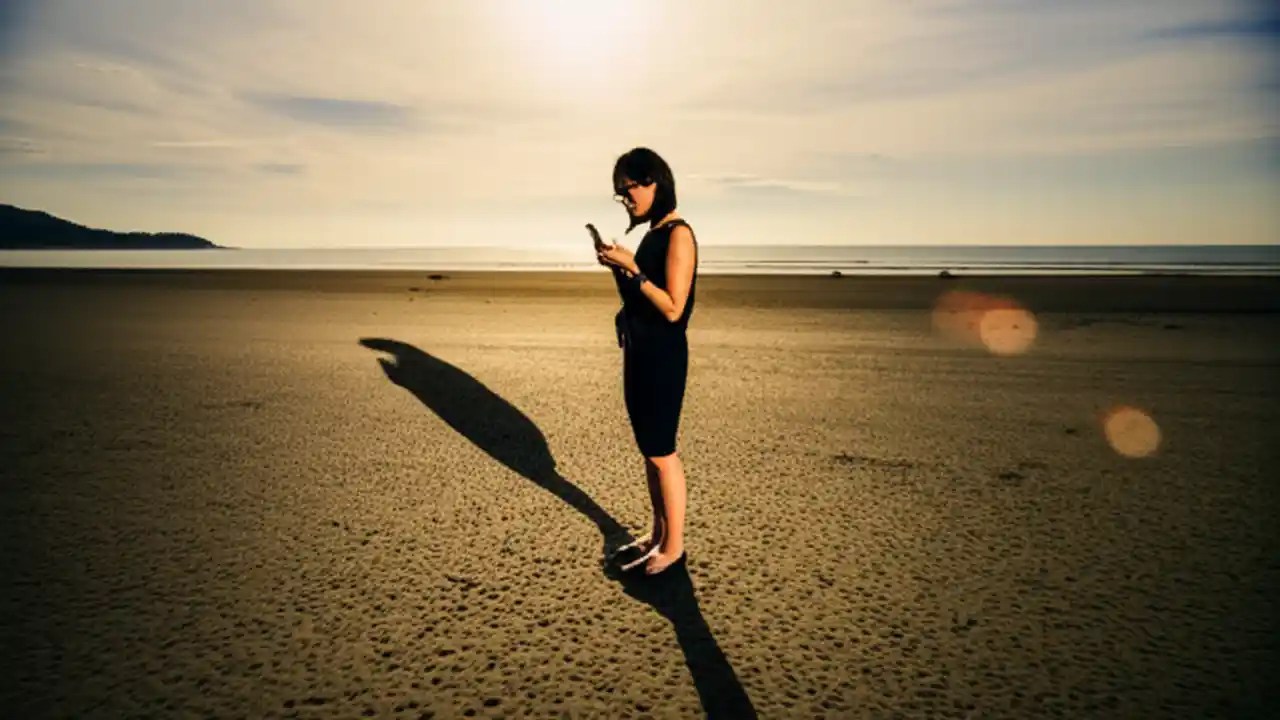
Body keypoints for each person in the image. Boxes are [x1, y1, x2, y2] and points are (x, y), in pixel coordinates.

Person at [594, 147, 698, 576]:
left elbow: (674, 308)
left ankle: (673, 548)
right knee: (649, 452)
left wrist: (633, 270)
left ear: (654, 181)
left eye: (629, 189)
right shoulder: (654, 233)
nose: (625, 199)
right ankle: (657, 535)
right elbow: (644, 297)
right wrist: (621, 278)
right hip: (639, 351)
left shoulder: (679, 234)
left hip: (662, 357)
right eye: (620, 194)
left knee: (663, 452)